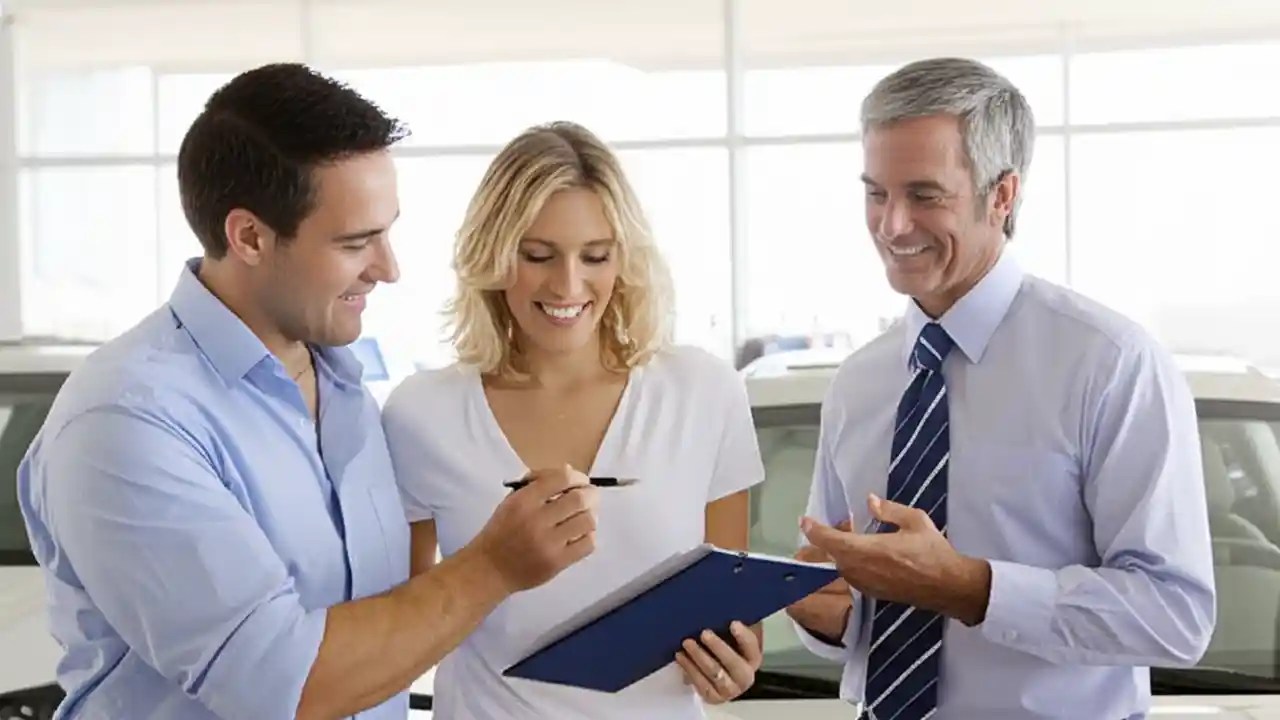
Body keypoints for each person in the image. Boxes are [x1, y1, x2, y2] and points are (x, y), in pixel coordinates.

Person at [16, 63, 600, 720]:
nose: (389, 267)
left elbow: (397, 626)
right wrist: (493, 566)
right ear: (250, 237)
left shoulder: (347, 389)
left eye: (387, 231)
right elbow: (281, 684)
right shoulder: (125, 423)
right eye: (356, 242)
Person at [786, 57, 1216, 719]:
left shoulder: (1109, 364)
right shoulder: (859, 383)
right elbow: (850, 620)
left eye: (924, 195)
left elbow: (1177, 616)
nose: (892, 225)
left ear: (1003, 195)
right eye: (877, 193)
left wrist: (971, 588)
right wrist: (823, 616)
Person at [381, 121, 767, 719]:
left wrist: (733, 669)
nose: (568, 284)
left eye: (595, 256)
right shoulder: (420, 414)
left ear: (625, 259)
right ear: (494, 255)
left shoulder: (702, 391)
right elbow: (395, 636)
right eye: (538, 256)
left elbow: (732, 629)